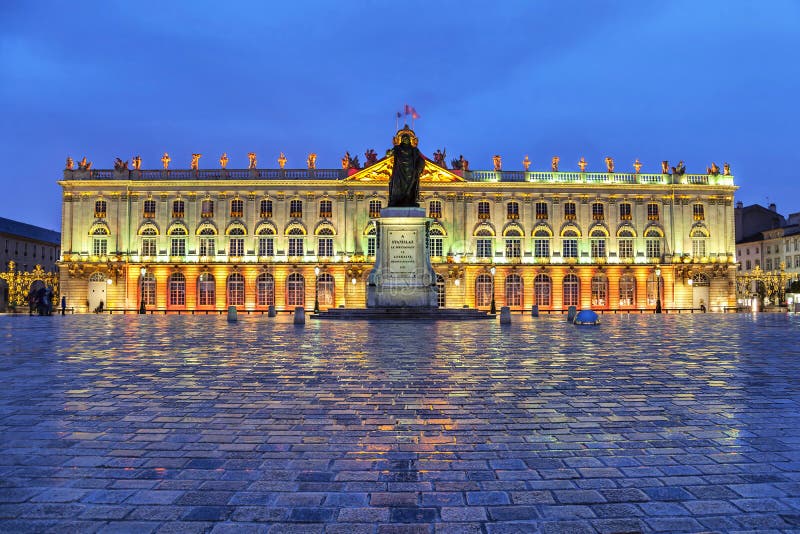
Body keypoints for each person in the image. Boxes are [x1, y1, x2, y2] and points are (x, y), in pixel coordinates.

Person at [388, 127, 424, 207]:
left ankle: (409, 199)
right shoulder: (397, 148)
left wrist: (418, 169)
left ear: (409, 140)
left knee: (410, 188)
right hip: (400, 171)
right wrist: (389, 152)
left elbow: (421, 160)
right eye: (403, 138)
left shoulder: (414, 150)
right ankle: (396, 200)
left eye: (406, 138)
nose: (405, 139)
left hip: (411, 172)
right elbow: (389, 153)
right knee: (397, 185)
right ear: (401, 140)